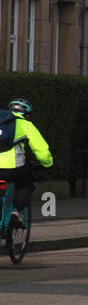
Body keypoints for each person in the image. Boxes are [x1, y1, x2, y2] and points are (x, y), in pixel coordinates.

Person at [0, 98, 53, 228]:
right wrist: (47, 163)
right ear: (27, 115)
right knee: (25, 184)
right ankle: (16, 211)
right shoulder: (25, 124)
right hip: (13, 167)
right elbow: (41, 149)